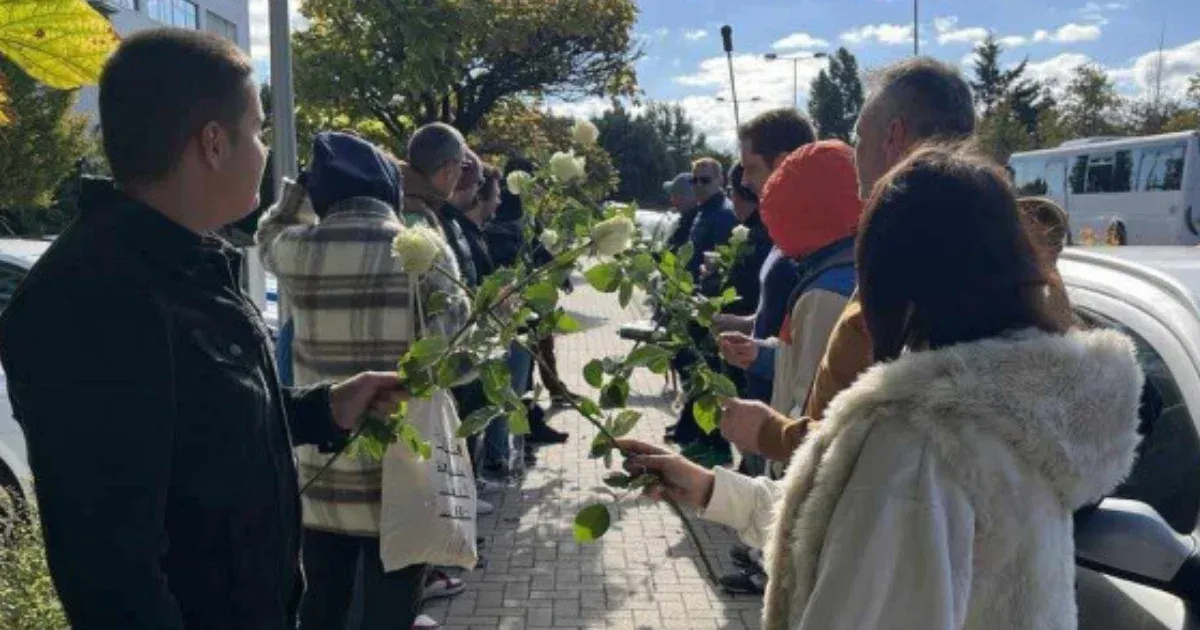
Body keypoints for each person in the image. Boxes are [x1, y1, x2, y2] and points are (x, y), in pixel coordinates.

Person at [621, 144, 1144, 629]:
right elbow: (849, 533)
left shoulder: (917, 437)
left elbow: (865, 562)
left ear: (889, 277)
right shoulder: (1023, 411)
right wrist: (714, 490)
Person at [0, 30, 404, 629]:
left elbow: (202, 428)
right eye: (260, 129)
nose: (267, 151)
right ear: (213, 142)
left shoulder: (187, 263)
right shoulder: (93, 297)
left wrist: (326, 410)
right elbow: (112, 573)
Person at [256, 132, 473, 630]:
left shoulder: (299, 251)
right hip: (400, 480)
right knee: (391, 613)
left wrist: (299, 190)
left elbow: (267, 234)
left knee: (320, 608)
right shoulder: (425, 253)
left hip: (321, 473)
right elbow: (458, 361)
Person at [719, 57, 978, 464]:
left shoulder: (897, 269)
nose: (851, 155)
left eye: (858, 137)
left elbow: (851, 450)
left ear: (893, 137)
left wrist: (765, 438)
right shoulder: (984, 249)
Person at [682, 158, 737, 280]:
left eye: (705, 180)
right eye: (694, 180)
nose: (699, 185)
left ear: (720, 180)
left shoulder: (726, 214)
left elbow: (722, 263)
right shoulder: (700, 210)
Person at [663, 172, 698, 251]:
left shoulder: (688, 226)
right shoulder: (696, 217)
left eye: (674, 195)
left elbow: (671, 256)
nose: (671, 200)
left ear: (684, 198)